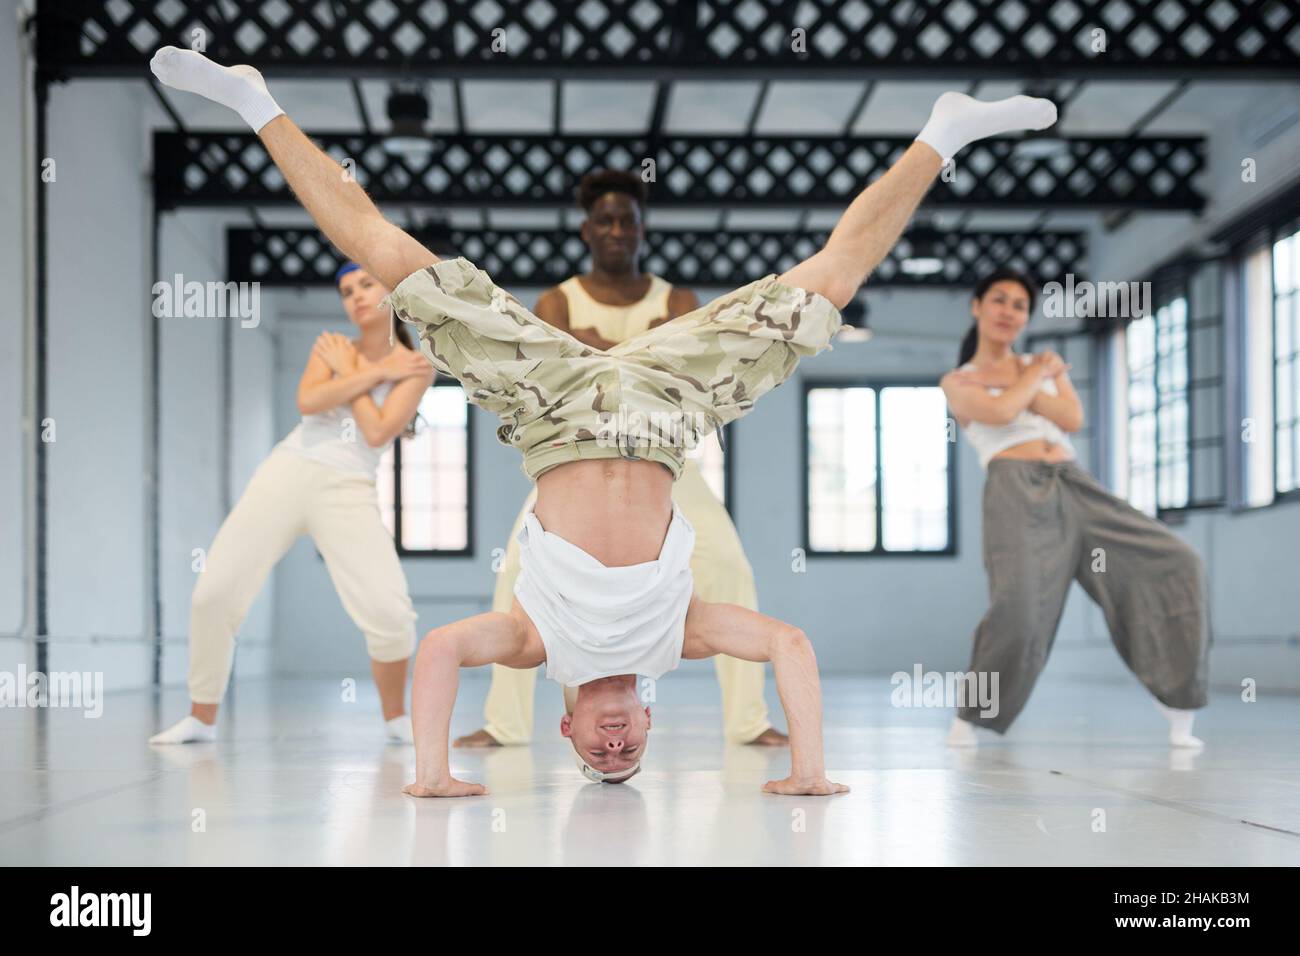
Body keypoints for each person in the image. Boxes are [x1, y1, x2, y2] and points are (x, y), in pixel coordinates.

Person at [148, 44, 1058, 792]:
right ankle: (945, 131)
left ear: (570, 722)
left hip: (551, 413)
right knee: (830, 284)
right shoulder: (680, 639)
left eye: (597, 753)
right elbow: (789, 643)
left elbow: (434, 653)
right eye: (631, 754)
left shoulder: (533, 644)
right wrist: (810, 772)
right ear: (651, 719)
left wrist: (429, 772)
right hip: (666, 411)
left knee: (393, 258)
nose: (616, 747)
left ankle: (253, 103)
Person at [455, 168, 788, 751]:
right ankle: (504, 725)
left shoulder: (677, 299)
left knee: (729, 569)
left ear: (641, 229)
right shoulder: (556, 299)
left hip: (663, 462)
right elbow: (557, 373)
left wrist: (590, 347)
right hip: (572, 466)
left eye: (627, 221)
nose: (616, 230)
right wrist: (636, 348)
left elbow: (660, 367)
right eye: (604, 221)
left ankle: (749, 721)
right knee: (514, 572)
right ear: (586, 230)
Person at [149, 262, 434, 745]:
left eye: (367, 284)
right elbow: (308, 402)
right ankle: (201, 718)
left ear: (391, 291)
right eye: (347, 290)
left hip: (348, 484)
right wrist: (373, 372)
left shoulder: (416, 366)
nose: (357, 296)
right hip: (287, 470)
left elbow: (378, 430)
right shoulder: (333, 347)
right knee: (213, 593)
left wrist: (353, 375)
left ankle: (394, 719)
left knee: (390, 614)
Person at [939, 268, 1210, 749]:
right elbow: (1000, 414)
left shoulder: (1030, 368)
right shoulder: (959, 381)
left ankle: (1175, 696)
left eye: (1019, 305)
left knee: (1177, 561)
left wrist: (1028, 380)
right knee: (1019, 610)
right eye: (998, 300)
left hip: (1076, 484)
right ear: (977, 307)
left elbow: (1073, 417)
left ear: (1026, 317)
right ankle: (971, 716)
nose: (1008, 312)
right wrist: (1037, 376)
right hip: (1015, 491)